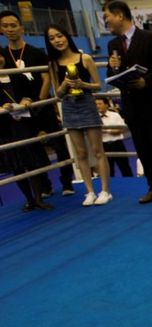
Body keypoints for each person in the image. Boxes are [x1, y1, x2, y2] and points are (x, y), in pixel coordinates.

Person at [105, 1, 152, 205]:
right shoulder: (113, 45)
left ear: (120, 15)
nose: (106, 21)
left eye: (108, 16)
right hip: (131, 106)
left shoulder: (149, 38)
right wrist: (113, 70)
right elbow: (110, 75)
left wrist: (146, 81)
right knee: (143, 151)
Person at [0, 10, 74, 196]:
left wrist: (38, 102)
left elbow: (46, 78)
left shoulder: (36, 52)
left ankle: (67, 183)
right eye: (5, 26)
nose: (10, 29)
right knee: (33, 151)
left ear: (21, 28)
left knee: (59, 145)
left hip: (42, 107)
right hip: (20, 113)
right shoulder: (2, 56)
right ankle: (45, 187)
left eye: (13, 25)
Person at [45, 24, 112, 207]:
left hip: (87, 104)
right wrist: (65, 85)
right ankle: (89, 191)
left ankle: (105, 190)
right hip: (68, 107)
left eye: (59, 35)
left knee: (97, 150)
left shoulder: (86, 58)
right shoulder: (52, 64)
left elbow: (98, 85)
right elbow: (57, 94)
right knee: (80, 153)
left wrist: (83, 84)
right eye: (52, 38)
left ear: (66, 36)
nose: (57, 40)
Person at [0, 52, 53, 211]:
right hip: (5, 129)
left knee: (32, 162)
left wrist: (27, 99)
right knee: (17, 166)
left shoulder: (16, 75)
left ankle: (38, 197)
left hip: (25, 124)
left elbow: (30, 93)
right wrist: (2, 109)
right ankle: (29, 199)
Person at [95, 97, 133, 177]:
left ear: (106, 105)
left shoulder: (115, 115)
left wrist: (105, 131)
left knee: (125, 167)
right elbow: (95, 133)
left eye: (99, 104)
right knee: (108, 170)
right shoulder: (94, 118)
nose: (97, 106)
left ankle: (131, 184)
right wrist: (112, 130)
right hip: (103, 145)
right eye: (96, 104)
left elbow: (120, 130)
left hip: (117, 144)